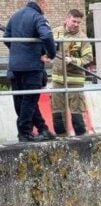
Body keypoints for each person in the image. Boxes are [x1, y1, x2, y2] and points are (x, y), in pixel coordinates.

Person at [3, 0, 56, 142]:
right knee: (29, 100)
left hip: (15, 66)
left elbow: (6, 38)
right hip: (32, 66)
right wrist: (50, 54)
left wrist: (18, 50)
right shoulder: (38, 17)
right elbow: (46, 36)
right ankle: (24, 132)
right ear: (43, 2)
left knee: (25, 101)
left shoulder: (15, 16)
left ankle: (43, 129)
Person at [51, 8, 92, 136]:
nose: (76, 25)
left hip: (75, 81)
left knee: (77, 113)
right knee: (57, 113)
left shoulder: (82, 38)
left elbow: (88, 58)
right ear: (67, 19)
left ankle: (82, 141)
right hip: (58, 80)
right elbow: (47, 48)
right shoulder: (56, 32)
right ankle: (61, 140)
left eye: (79, 23)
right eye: (74, 21)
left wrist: (73, 60)